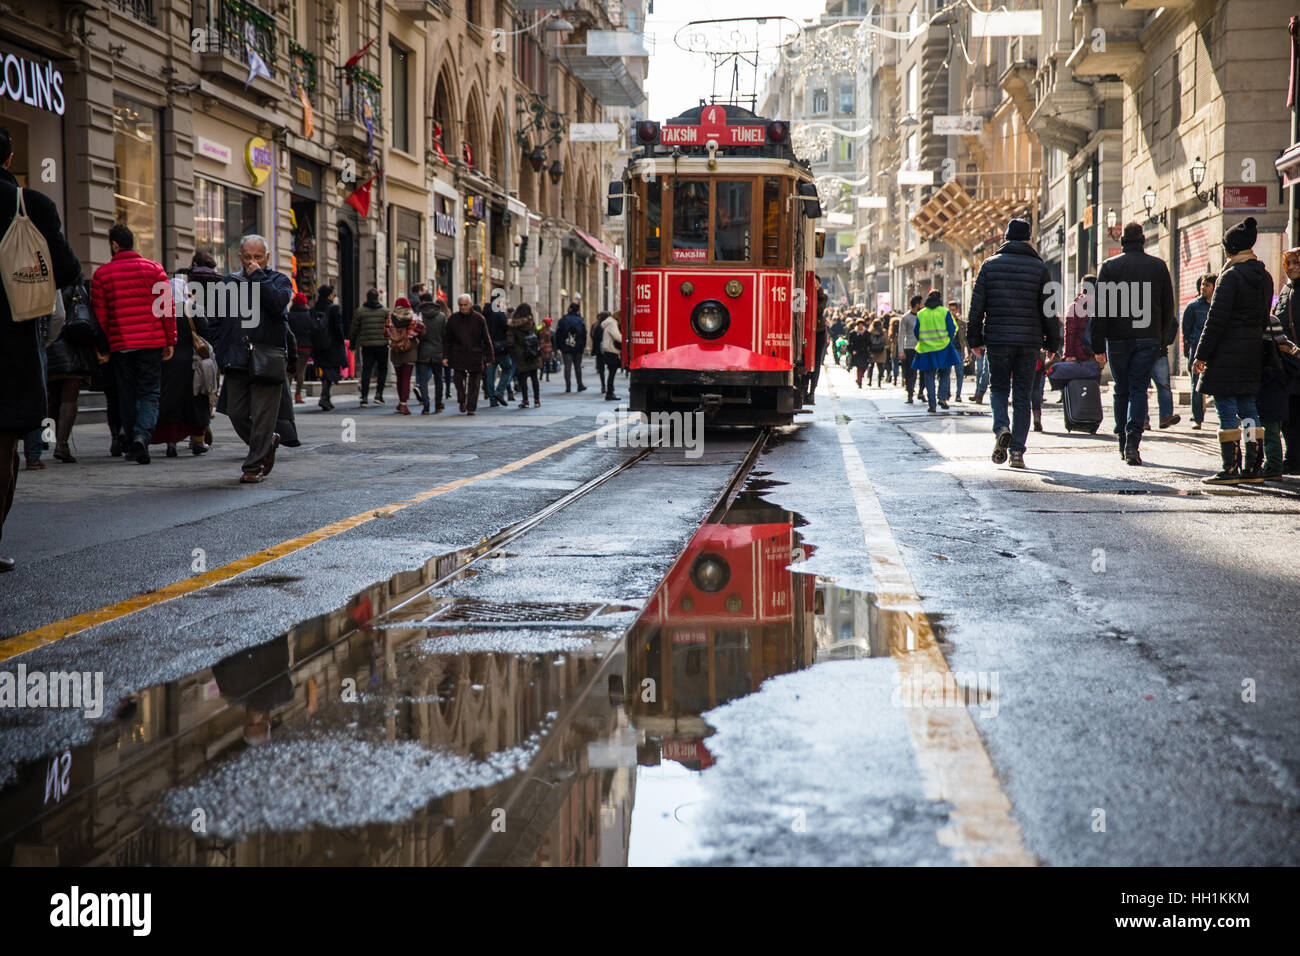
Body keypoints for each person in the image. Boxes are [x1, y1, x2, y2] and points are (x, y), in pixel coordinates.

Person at [967, 218, 1061, 469]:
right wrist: (1054, 343)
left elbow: (976, 307)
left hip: (997, 340)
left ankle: (1001, 428)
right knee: (1022, 395)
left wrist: (973, 339)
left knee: (998, 388)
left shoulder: (989, 266)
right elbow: (1049, 311)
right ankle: (1017, 451)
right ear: (1029, 238)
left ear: (1005, 237)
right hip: (1029, 342)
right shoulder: (1040, 268)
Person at [1192, 217, 1274, 484]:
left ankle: (1230, 468)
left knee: (1226, 407)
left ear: (1230, 249)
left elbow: (1215, 320)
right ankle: (1253, 467)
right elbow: (1264, 318)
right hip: (1251, 352)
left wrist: (1201, 354)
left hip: (1226, 354)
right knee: (1248, 406)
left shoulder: (1229, 277)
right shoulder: (1264, 276)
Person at [209, 234, 294, 483]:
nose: (252, 261)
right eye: (248, 257)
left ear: (267, 257)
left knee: (263, 415)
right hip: (236, 359)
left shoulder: (280, 281)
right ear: (239, 257)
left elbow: (278, 305)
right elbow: (214, 320)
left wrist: (258, 276)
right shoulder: (229, 283)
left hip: (267, 358)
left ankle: (253, 465)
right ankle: (267, 442)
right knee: (236, 413)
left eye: (257, 257)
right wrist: (220, 347)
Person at [1092, 221, 1176, 466]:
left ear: (1122, 242)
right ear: (1143, 240)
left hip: (1117, 339)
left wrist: (1098, 345)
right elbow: (1168, 307)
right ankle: (1132, 441)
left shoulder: (1109, 267)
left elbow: (1102, 309)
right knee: (1139, 388)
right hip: (1147, 337)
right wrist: (1160, 337)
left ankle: (1121, 439)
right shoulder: (1158, 267)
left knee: (1122, 389)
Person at [91, 223, 174, 464]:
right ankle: (141, 437)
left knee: (125, 393)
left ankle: (131, 440)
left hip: (121, 343)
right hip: (151, 342)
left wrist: (103, 348)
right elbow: (166, 309)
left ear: (114, 245)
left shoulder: (102, 275)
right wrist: (170, 340)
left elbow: (100, 315)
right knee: (150, 392)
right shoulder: (155, 269)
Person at [153, 253, 218, 457]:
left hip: (167, 363)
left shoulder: (161, 311)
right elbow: (206, 335)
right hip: (192, 365)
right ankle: (198, 442)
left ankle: (171, 443)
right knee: (196, 403)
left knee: (170, 403)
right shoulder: (194, 309)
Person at [912, 289, 963, 413]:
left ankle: (932, 404)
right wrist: (946, 340)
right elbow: (952, 329)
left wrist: (924, 340)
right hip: (943, 348)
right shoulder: (944, 312)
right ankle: (942, 397)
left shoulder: (921, 313)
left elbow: (916, 331)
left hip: (926, 350)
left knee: (929, 376)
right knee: (945, 373)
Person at [444, 293, 493, 414]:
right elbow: (447, 340)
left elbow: (486, 339)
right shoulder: (453, 319)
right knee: (458, 379)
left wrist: (489, 357)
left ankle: (471, 407)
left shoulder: (479, 319)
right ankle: (462, 400)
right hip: (458, 354)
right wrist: (445, 356)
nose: (463, 307)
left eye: (465, 305)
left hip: (475, 354)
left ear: (470, 305)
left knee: (474, 383)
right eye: (461, 305)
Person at [1273, 254, 1300, 473]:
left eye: (1296, 263)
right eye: (1288, 264)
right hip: (1289, 363)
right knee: (1288, 415)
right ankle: (1292, 459)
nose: (1291, 267)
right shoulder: (1285, 291)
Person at [1181, 273, 1215, 430]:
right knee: (1196, 385)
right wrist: (1191, 344)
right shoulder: (1193, 306)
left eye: (1207, 285)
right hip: (1197, 350)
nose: (1203, 288)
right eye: (1202, 284)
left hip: (1217, 350)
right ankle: (1197, 418)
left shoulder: (1219, 305)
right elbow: (1186, 330)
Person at [311, 284, 347, 411]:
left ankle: (326, 397)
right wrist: (341, 341)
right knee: (330, 372)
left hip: (318, 345)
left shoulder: (314, 308)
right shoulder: (334, 309)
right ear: (330, 295)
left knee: (325, 371)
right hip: (332, 345)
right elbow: (338, 328)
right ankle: (324, 397)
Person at [350, 288, 389, 406]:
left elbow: (354, 329)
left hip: (367, 345)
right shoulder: (384, 311)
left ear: (367, 298)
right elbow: (389, 328)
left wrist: (352, 343)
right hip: (382, 345)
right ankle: (379, 394)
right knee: (382, 370)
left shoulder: (360, 311)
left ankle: (364, 397)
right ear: (377, 298)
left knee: (366, 370)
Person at [384, 296, 422, 415]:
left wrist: (395, 336)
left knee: (399, 378)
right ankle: (404, 404)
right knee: (406, 378)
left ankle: (401, 402)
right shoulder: (413, 317)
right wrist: (409, 336)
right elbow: (418, 331)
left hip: (395, 349)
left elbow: (385, 333)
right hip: (409, 349)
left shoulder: (391, 318)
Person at [415, 292, 446, 414]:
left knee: (423, 380)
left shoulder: (420, 316)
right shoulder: (442, 316)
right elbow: (445, 336)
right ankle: (438, 404)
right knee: (439, 379)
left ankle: (426, 406)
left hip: (423, 352)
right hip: (438, 352)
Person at [509, 303, 543, 408]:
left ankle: (525, 400)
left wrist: (513, 353)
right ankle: (537, 400)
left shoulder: (513, 325)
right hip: (532, 353)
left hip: (520, 354)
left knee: (522, 378)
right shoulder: (531, 322)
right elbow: (537, 335)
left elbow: (510, 341)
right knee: (534, 377)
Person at [483, 296, 513, 406]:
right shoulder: (499, 313)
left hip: (488, 348)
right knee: (507, 369)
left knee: (490, 373)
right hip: (500, 348)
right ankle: (499, 391)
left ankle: (492, 399)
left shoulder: (484, 313)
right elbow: (506, 328)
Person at [286, 292, 315, 404]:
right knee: (301, 370)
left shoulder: (289, 316)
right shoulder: (309, 315)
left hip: (292, 345)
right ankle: (298, 394)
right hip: (305, 347)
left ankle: (287, 394)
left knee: (290, 370)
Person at [555, 304, 587, 392]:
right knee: (578, 367)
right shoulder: (580, 320)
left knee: (567, 367)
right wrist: (582, 346)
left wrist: (559, 346)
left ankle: (568, 386)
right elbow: (584, 334)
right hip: (577, 347)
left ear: (570, 309)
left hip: (566, 347)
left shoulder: (563, 320)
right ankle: (580, 384)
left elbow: (558, 334)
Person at [899, 295, 921, 403]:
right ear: (917, 304)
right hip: (910, 348)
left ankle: (921, 391)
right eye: (921, 303)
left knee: (923, 372)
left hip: (922, 347)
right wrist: (900, 351)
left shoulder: (922, 316)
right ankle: (910, 393)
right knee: (910, 372)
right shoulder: (905, 317)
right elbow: (901, 335)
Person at [810, 286, 829, 400]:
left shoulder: (822, 297)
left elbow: (818, 310)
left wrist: (817, 296)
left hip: (818, 331)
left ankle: (812, 390)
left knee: (817, 361)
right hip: (811, 329)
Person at [600, 311, 622, 400]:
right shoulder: (612, 323)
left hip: (609, 350)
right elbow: (618, 337)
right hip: (612, 350)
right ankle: (609, 393)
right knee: (612, 373)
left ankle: (610, 392)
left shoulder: (609, 322)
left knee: (611, 372)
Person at [949, 300, 967, 402]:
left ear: (957, 310)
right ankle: (947, 393)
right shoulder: (946, 323)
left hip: (959, 350)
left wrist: (968, 353)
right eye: (950, 310)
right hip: (948, 350)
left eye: (954, 310)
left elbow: (965, 339)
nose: (952, 312)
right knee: (946, 373)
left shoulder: (962, 324)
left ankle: (958, 394)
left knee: (959, 373)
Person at [847, 319, 871, 387]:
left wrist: (869, 348)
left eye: (861, 324)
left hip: (865, 352)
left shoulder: (867, 333)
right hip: (857, 352)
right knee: (859, 367)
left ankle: (859, 378)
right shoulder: (853, 333)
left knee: (865, 366)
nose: (860, 326)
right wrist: (852, 351)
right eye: (859, 325)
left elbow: (869, 342)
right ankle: (859, 381)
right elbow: (849, 343)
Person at [866, 318, 888, 387]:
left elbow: (867, 342)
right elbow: (886, 342)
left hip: (872, 351)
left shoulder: (870, 332)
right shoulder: (883, 332)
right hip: (881, 352)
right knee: (880, 367)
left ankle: (870, 381)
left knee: (871, 366)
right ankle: (879, 382)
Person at [591, 309, 607, 393]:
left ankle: (603, 385)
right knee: (611, 369)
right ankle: (607, 385)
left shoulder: (596, 326)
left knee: (601, 369)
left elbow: (593, 337)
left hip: (599, 351)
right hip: (607, 350)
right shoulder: (606, 326)